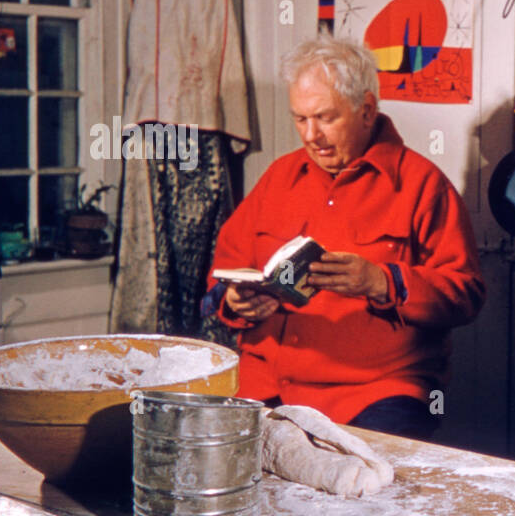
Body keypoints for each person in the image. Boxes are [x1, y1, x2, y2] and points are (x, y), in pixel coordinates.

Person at [208, 36, 485, 440]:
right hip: (266, 387)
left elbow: (467, 296)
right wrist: (234, 302)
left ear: (367, 109)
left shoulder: (423, 186)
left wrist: (381, 282)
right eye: (300, 119)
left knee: (371, 491)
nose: (310, 135)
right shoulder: (278, 180)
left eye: (325, 117)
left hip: (377, 394)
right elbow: (218, 285)